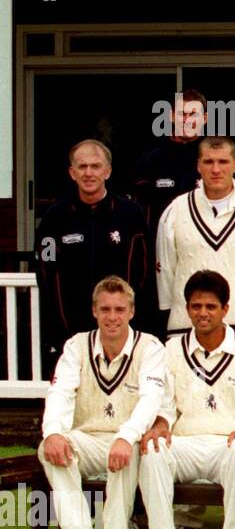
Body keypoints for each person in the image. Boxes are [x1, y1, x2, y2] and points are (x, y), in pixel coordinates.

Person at [136, 271, 235, 529]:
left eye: (211, 306)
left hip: (228, 443)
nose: (203, 313)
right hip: (184, 443)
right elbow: (165, 405)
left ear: (226, 309)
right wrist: (159, 425)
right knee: (153, 449)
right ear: (186, 309)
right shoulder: (171, 349)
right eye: (196, 306)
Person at [37, 276, 165, 529]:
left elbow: (151, 399)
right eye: (105, 309)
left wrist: (127, 435)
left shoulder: (150, 347)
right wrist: (54, 432)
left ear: (132, 311)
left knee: (130, 450)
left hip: (126, 438)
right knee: (50, 448)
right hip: (87, 439)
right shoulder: (76, 346)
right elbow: (60, 392)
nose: (112, 317)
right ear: (94, 310)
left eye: (119, 310)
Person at [155, 137, 235, 343]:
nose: (215, 169)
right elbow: (166, 274)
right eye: (208, 162)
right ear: (198, 165)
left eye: (223, 162)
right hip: (186, 328)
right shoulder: (176, 210)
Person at [34, 140, 149, 363]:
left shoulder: (130, 213)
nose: (88, 173)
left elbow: (142, 273)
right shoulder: (54, 218)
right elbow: (46, 276)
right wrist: (62, 330)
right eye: (82, 167)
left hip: (122, 329)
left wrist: (132, 321)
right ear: (72, 172)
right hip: (71, 333)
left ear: (108, 171)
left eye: (95, 166)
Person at [130, 89, 208, 337]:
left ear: (204, 118)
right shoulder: (150, 161)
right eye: (182, 113)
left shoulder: (214, 158)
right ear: (171, 116)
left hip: (204, 258)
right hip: (159, 268)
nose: (187, 119)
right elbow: (138, 218)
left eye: (193, 114)